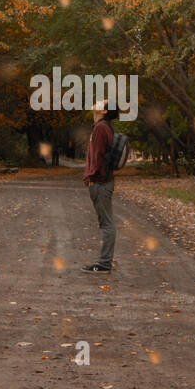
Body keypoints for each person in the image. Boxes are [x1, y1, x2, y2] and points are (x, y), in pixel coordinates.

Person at [82, 99, 118, 272]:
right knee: (106, 223)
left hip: (101, 182)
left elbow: (98, 157)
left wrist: (91, 177)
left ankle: (104, 263)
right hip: (102, 181)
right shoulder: (101, 127)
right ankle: (105, 261)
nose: (96, 102)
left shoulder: (101, 128)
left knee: (107, 224)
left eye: (101, 102)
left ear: (104, 111)